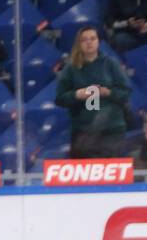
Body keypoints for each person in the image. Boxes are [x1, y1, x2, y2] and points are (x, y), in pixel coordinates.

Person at [55, 26, 131, 158]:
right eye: (84, 40)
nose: (89, 42)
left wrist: (108, 92)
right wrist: (77, 95)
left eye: (92, 39)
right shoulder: (71, 68)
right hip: (83, 131)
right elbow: (60, 98)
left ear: (98, 42)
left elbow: (126, 92)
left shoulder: (111, 64)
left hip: (111, 130)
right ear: (79, 44)